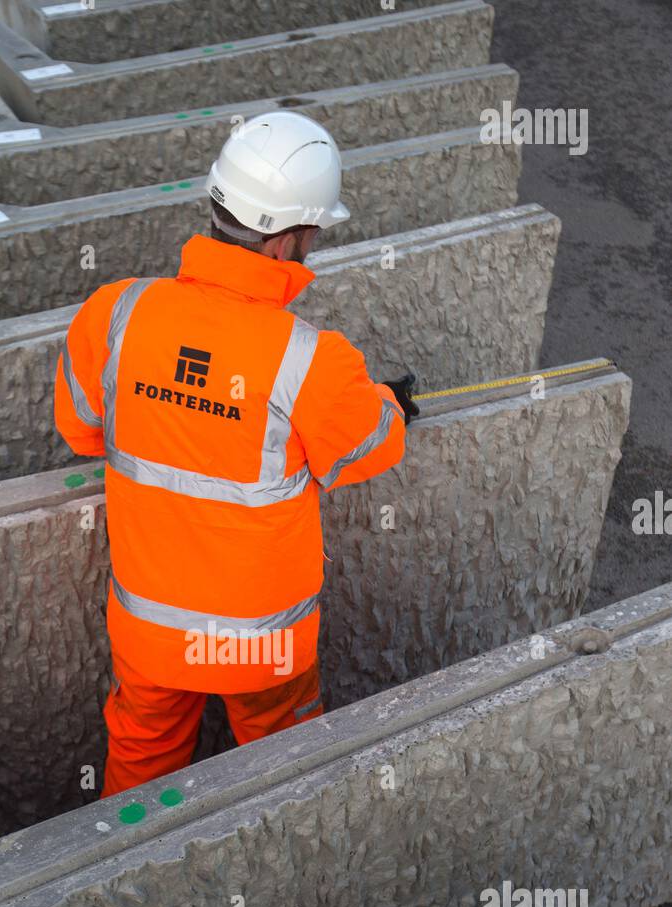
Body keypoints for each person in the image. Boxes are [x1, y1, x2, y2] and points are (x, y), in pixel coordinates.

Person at [55, 111, 413, 797]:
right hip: (262, 647)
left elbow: (83, 431)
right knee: (284, 780)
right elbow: (370, 448)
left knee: (139, 765)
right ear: (284, 241)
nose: (311, 247)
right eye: (313, 234)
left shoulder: (115, 314)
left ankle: (123, 886)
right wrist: (388, 400)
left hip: (149, 633)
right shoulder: (312, 359)